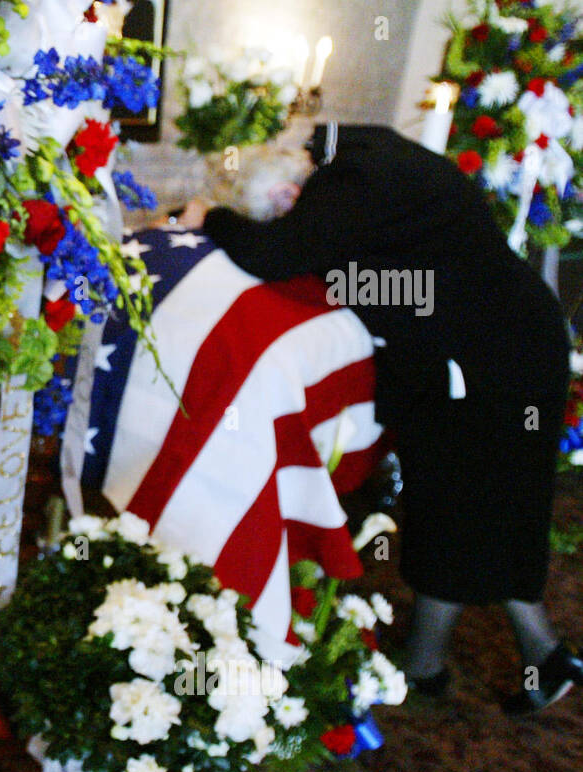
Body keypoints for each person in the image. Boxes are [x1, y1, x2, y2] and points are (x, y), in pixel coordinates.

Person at [178, 122, 577, 714]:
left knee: (452, 506)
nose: (293, 214)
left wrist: (207, 216)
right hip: (513, 337)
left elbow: (276, 255)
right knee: (494, 506)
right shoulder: (364, 151)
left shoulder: (346, 189)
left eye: (285, 208)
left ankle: (427, 666)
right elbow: (370, 263)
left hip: (485, 358)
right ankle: (535, 656)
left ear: (291, 195)